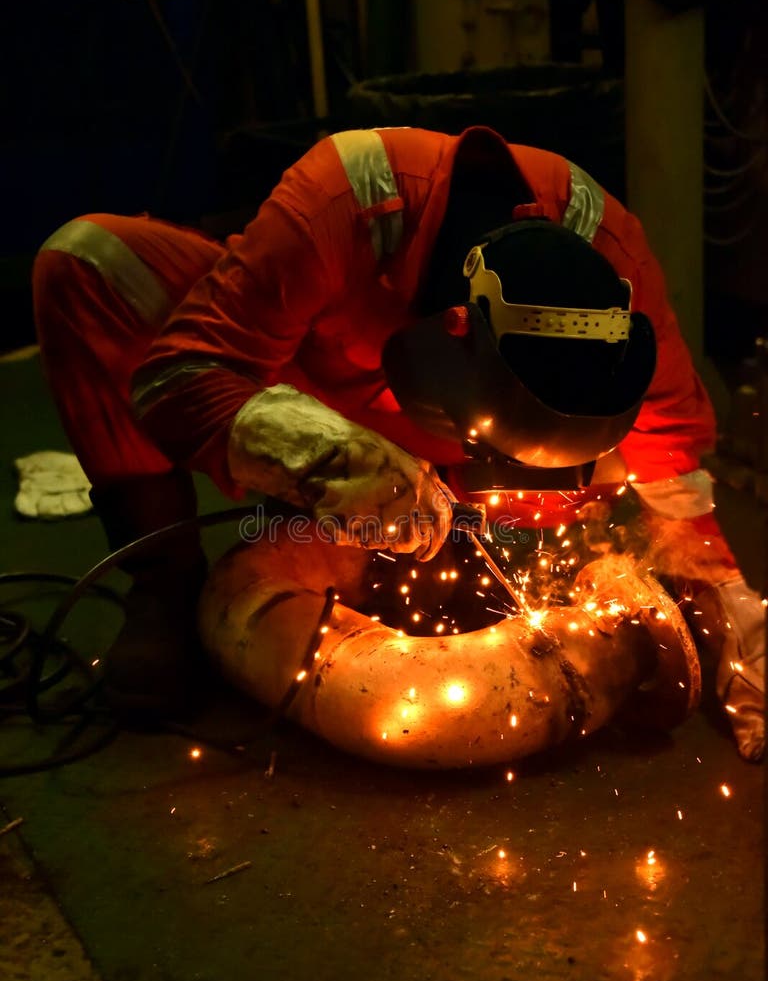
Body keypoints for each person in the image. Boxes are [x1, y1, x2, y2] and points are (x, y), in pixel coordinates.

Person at [31, 125, 764, 760]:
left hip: (455, 462)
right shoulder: (342, 199)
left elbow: (676, 457)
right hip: (319, 385)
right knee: (85, 260)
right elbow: (178, 379)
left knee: (605, 480)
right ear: (454, 335)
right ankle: (164, 582)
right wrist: (321, 454)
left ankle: (463, 544)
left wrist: (731, 603)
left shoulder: (610, 256)